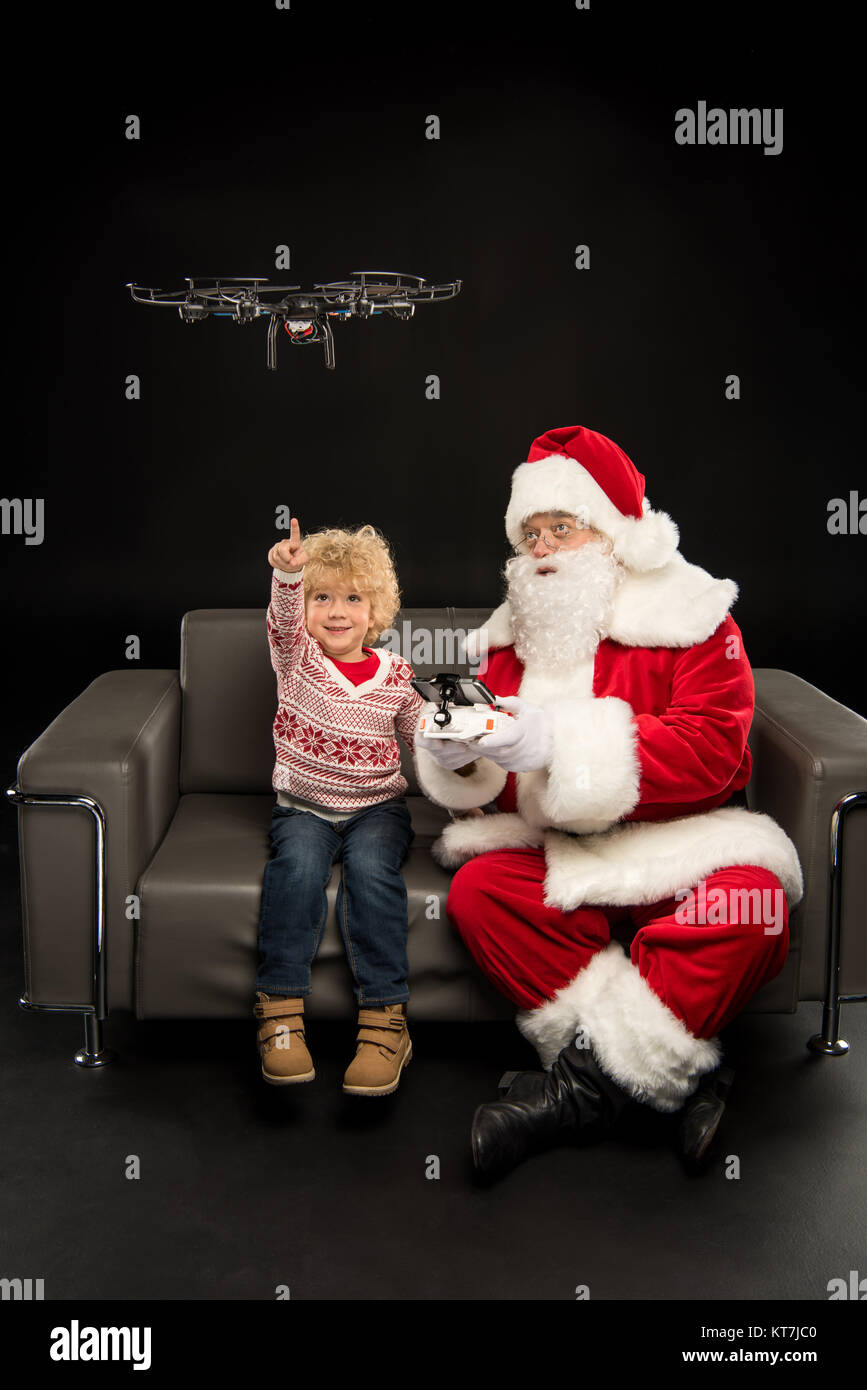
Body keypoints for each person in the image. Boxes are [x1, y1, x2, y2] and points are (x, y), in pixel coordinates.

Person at [414, 425, 803, 1175]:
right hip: (561, 853)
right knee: (479, 891)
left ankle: (573, 1095)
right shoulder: (507, 637)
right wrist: (462, 759)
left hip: (679, 845)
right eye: (531, 532)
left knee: (754, 906)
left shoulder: (695, 617)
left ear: (614, 530)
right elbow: (493, 790)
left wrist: (559, 744)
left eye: (563, 525)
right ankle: (676, 1078)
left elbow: (713, 750)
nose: (544, 547)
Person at [254, 517, 424, 1096]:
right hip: (303, 807)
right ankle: (279, 1013)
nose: (335, 611)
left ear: (375, 612)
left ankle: (384, 1022)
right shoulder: (297, 661)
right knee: (297, 869)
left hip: (377, 809)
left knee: (373, 871)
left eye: (353, 599)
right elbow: (281, 624)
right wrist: (288, 576)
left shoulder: (398, 674)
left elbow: (422, 742)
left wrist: (468, 786)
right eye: (320, 597)